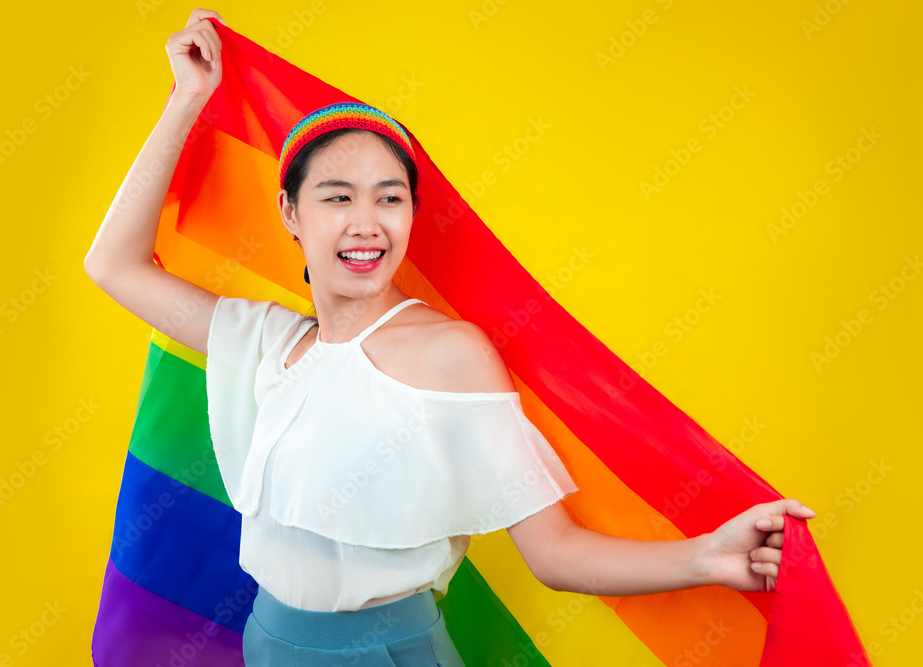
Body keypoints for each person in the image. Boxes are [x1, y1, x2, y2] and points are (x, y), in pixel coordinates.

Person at [84, 8, 818, 666]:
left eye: (390, 198)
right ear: (291, 212)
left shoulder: (449, 355)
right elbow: (112, 263)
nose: (366, 222)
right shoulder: (267, 344)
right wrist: (187, 100)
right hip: (269, 642)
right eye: (337, 197)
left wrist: (708, 557)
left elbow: (554, 552)